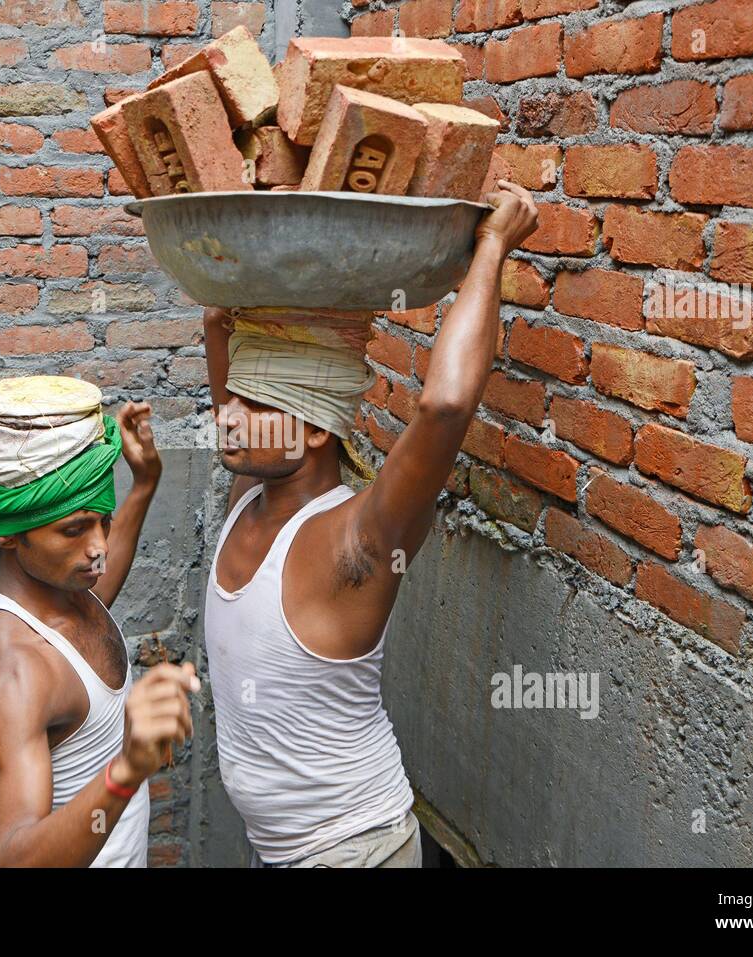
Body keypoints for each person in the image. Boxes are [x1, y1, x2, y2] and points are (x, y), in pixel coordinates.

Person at [202, 181, 539, 867]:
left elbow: (445, 406)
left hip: (357, 852)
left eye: (254, 402)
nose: (226, 415)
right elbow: (217, 319)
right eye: (232, 395)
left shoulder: (356, 542)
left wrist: (492, 247)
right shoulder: (250, 489)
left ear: (315, 429)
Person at [0, 375, 199, 867]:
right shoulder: (14, 672)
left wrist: (144, 484)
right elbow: (17, 859)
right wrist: (126, 771)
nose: (99, 549)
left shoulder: (71, 596)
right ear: (9, 534)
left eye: (102, 521)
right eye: (73, 530)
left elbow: (100, 589)